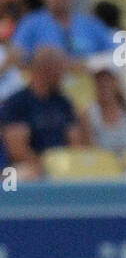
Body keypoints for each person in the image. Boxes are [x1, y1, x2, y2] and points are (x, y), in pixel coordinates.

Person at [8, 0, 114, 67]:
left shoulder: (91, 24)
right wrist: (40, 59)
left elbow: (112, 56)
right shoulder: (31, 23)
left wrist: (84, 63)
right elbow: (16, 56)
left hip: (88, 80)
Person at [0, 46, 82, 176]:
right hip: (29, 167)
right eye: (59, 69)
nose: (63, 75)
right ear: (47, 69)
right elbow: (17, 149)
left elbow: (76, 141)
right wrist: (46, 169)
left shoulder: (63, 103)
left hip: (64, 166)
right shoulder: (16, 103)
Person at [82, 61, 126, 158]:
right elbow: (88, 148)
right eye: (99, 81)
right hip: (102, 167)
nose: (104, 85)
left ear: (116, 83)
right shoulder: (88, 115)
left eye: (108, 80)